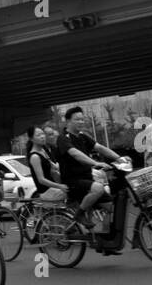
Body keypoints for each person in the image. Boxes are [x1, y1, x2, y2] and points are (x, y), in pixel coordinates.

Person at [56, 107, 131, 252]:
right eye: (77, 119)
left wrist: (119, 158)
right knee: (98, 187)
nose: (81, 122)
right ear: (68, 121)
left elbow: (101, 148)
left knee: (112, 207)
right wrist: (95, 163)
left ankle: (103, 240)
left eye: (82, 119)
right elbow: (75, 154)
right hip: (73, 182)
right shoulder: (63, 139)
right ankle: (79, 214)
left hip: (87, 181)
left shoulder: (83, 136)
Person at [26, 125, 67, 205]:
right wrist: (59, 186)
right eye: (38, 135)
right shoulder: (35, 156)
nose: (42, 137)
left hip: (53, 188)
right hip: (47, 192)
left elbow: (54, 167)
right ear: (31, 139)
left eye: (42, 134)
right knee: (75, 192)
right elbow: (41, 180)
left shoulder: (43, 151)